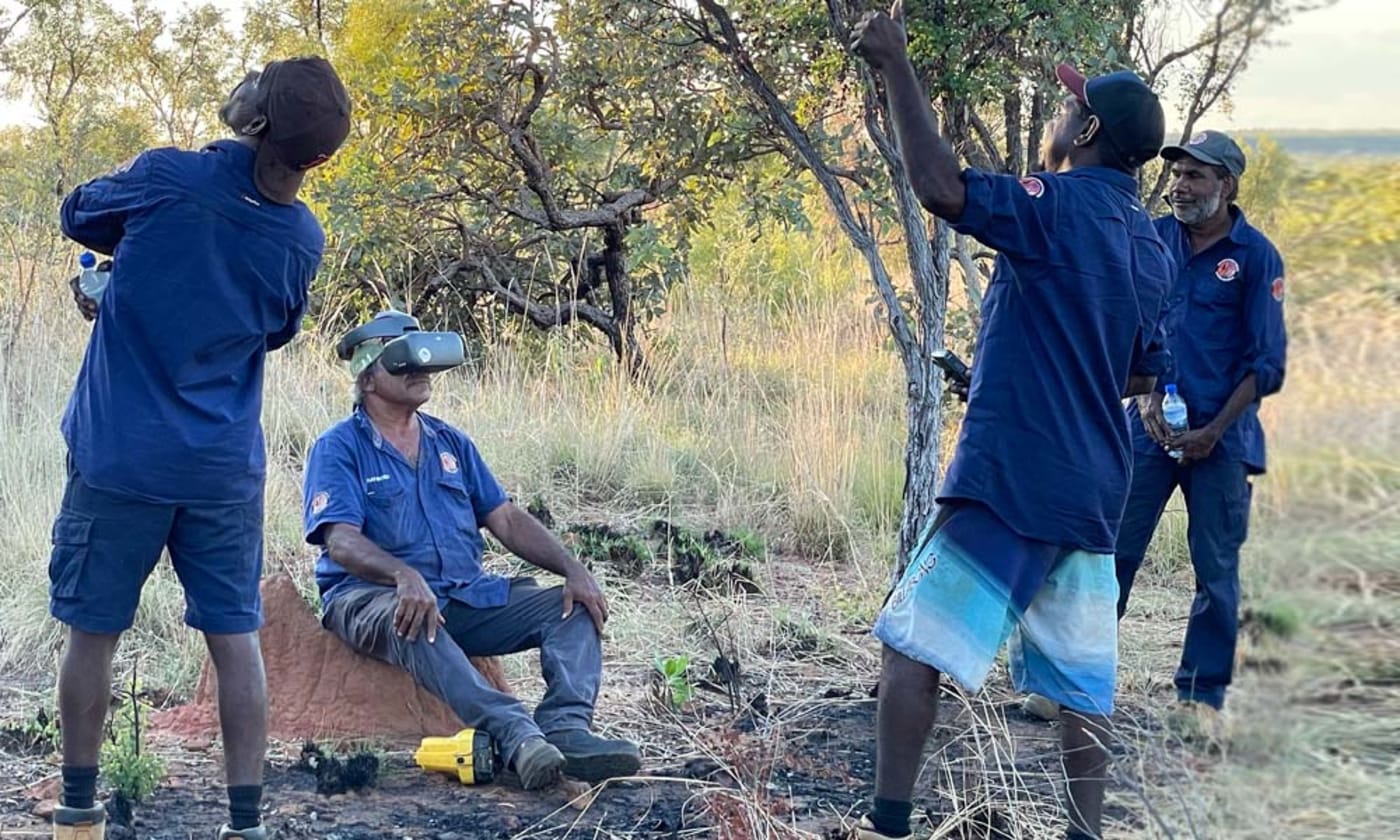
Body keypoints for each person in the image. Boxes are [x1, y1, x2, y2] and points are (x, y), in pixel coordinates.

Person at [850, 5, 1173, 840]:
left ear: (1090, 127)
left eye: (1072, 108)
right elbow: (1138, 370)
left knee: (909, 648)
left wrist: (895, 64)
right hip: (1095, 493)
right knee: (1081, 685)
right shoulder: (1152, 245)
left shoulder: (1055, 205)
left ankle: (888, 824)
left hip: (1014, 483)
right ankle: (1084, 832)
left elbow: (940, 187)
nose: (1061, 116)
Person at [48, 57, 351, 840]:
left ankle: (77, 816)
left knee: (94, 630)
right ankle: (244, 825)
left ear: (255, 121)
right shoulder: (302, 238)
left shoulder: (168, 178)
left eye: (259, 83)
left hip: (121, 457)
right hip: (222, 469)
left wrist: (119, 288)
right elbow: (272, 327)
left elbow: (77, 211)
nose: (248, 80)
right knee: (234, 636)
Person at [302, 312, 642, 792]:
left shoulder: (450, 443)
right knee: (414, 616)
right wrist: (401, 575)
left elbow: (503, 517)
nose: (420, 370)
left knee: (571, 606)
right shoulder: (339, 447)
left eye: (424, 357)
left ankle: (566, 730)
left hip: (460, 592)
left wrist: (573, 567)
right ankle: (516, 735)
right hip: (369, 597)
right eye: (402, 361)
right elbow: (339, 539)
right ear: (369, 376)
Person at [1115, 130, 1287, 719]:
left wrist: (1214, 430)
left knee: (1215, 571)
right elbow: (1126, 328)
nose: (1180, 187)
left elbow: (1267, 363)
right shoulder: (1153, 238)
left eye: (1195, 176)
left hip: (1223, 438)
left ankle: (1200, 699)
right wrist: (1142, 404)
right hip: (1147, 430)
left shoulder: (1256, 256)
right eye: (1178, 174)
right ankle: (1073, 680)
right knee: (1108, 553)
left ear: (1227, 185)